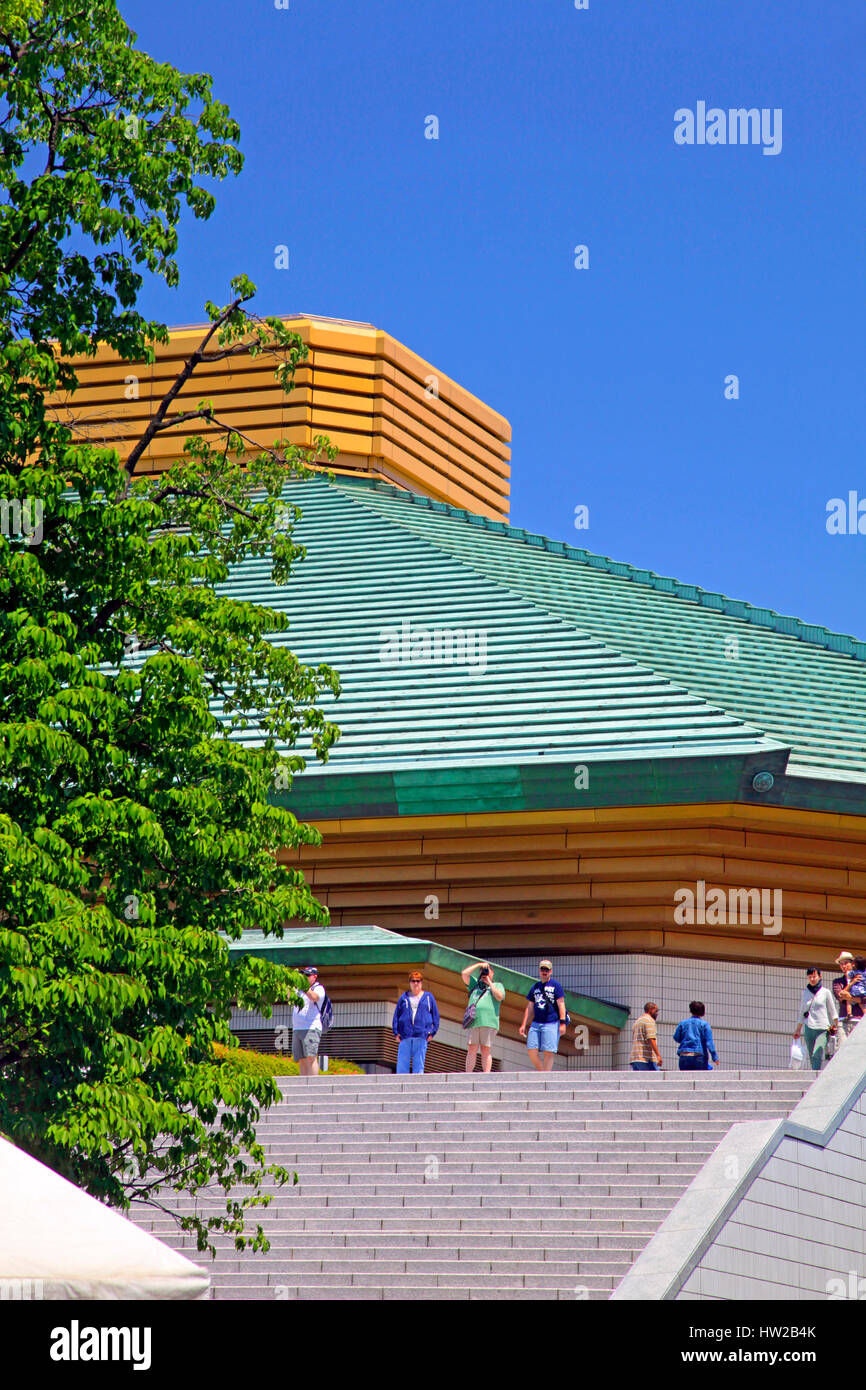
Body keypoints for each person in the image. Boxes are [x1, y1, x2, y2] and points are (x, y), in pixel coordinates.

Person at [519, 960, 567, 1071]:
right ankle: (543, 1074)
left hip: (551, 1022)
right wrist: (523, 1024)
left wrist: (563, 1023)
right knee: (531, 1049)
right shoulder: (535, 986)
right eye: (542, 969)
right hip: (536, 1022)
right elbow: (530, 1006)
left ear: (551, 971)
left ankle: (545, 1076)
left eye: (547, 969)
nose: (544, 972)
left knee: (548, 1051)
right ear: (539, 971)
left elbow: (561, 1004)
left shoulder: (556, 986)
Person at [461, 960, 505, 1073]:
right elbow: (464, 974)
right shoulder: (474, 984)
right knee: (472, 1048)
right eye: (482, 971)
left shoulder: (497, 985)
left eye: (487, 970)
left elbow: (500, 997)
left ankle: (486, 1074)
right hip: (473, 1021)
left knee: (486, 1049)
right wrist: (479, 965)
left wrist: (489, 982)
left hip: (489, 1022)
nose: (485, 972)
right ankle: (468, 1074)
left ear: (492, 973)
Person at [392, 972, 440, 1074]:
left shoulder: (428, 997)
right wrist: (396, 1033)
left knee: (419, 1066)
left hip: (421, 1035)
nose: (415, 983)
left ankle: (417, 1088)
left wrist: (432, 1032)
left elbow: (435, 1016)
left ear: (421, 982)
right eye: (413, 981)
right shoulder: (404, 997)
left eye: (418, 981)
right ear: (409, 983)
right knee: (402, 1066)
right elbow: (396, 1015)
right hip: (405, 1036)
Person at [793, 967, 838, 1071]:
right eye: (810, 977)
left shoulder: (825, 992)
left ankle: (815, 1077)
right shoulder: (805, 992)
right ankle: (815, 1074)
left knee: (817, 1053)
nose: (812, 979)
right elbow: (802, 1011)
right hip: (809, 1027)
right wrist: (798, 1029)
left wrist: (837, 1025)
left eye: (814, 976)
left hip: (823, 1028)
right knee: (811, 1054)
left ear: (820, 977)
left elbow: (832, 1011)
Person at [292, 966, 325, 1077]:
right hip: (297, 1027)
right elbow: (288, 997)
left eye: (307, 975)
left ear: (314, 977)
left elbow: (314, 997)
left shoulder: (318, 988)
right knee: (301, 1058)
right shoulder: (298, 989)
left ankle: (312, 1083)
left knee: (311, 1056)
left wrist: (304, 987)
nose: (305, 977)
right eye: (303, 975)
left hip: (311, 1027)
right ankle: (303, 1082)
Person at [673, 1001, 719, 1071]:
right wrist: (714, 1057)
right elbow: (709, 1043)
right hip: (699, 1055)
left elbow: (676, 1037)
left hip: (684, 1054)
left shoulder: (683, 1023)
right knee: (699, 1079)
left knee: (685, 1079)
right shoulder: (704, 1024)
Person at [831, 951, 862, 1045]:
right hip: (844, 1020)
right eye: (841, 964)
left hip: (860, 1020)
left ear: (852, 964)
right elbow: (840, 997)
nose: (844, 966)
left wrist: (850, 998)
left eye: (846, 963)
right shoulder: (837, 982)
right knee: (842, 1048)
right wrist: (851, 984)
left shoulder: (861, 979)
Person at [630, 1003, 663, 1071]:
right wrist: (658, 1055)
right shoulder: (649, 1020)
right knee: (656, 1080)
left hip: (635, 1058)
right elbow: (651, 1039)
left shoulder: (637, 1021)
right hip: (646, 1059)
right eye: (656, 1011)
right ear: (650, 1010)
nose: (657, 1014)